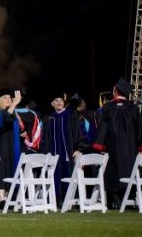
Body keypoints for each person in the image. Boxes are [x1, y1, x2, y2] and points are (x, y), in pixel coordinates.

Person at [92, 78, 142, 209]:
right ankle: (128, 202)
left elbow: (103, 128)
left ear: (115, 91)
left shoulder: (107, 107)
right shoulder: (133, 108)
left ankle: (111, 202)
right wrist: (140, 147)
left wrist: (100, 146)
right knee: (128, 172)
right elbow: (139, 129)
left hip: (111, 148)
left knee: (112, 173)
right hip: (129, 149)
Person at [41, 93, 88, 203]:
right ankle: (56, 199)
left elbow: (79, 132)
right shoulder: (49, 118)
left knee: (69, 174)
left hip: (68, 154)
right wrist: (46, 153)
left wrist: (79, 149)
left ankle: (70, 200)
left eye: (61, 100)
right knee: (55, 175)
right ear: (52, 103)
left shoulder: (71, 115)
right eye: (56, 101)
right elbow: (44, 138)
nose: (59, 103)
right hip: (54, 155)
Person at [0, 88, 21, 208]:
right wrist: (14, 104)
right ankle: (1, 198)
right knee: (2, 169)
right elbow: (5, 120)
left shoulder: (13, 113)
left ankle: (7, 197)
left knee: (11, 169)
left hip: (12, 146)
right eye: (5, 98)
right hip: (2, 145)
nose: (8, 100)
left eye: (9, 98)